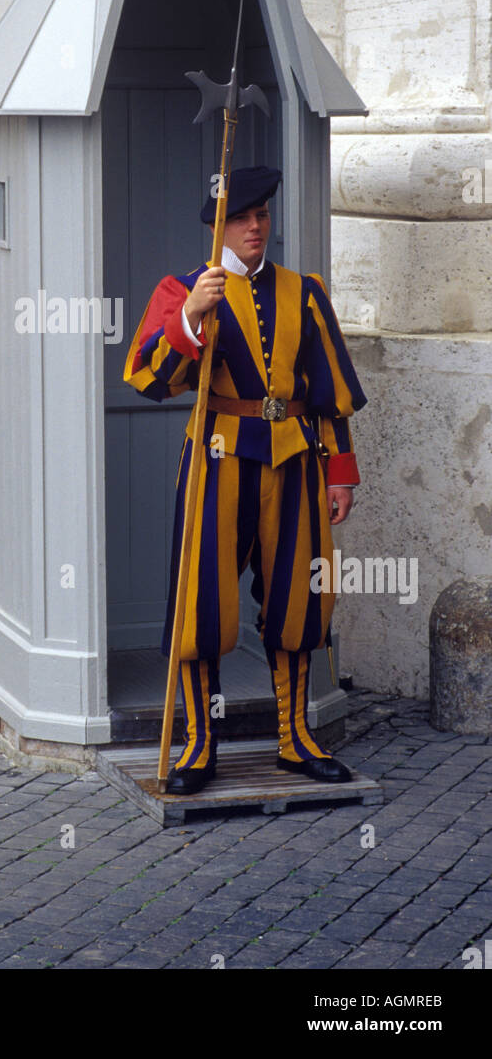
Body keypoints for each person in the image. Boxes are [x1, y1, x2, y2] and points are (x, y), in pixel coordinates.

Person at [123, 165, 367, 794]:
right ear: (218, 225)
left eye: (262, 215)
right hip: (218, 460)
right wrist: (190, 322)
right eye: (242, 217)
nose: (255, 226)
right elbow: (151, 379)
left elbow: (330, 396)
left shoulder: (304, 291)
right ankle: (200, 743)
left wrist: (339, 474)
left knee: (297, 599)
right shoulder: (184, 290)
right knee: (202, 603)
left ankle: (296, 739)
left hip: (295, 460)